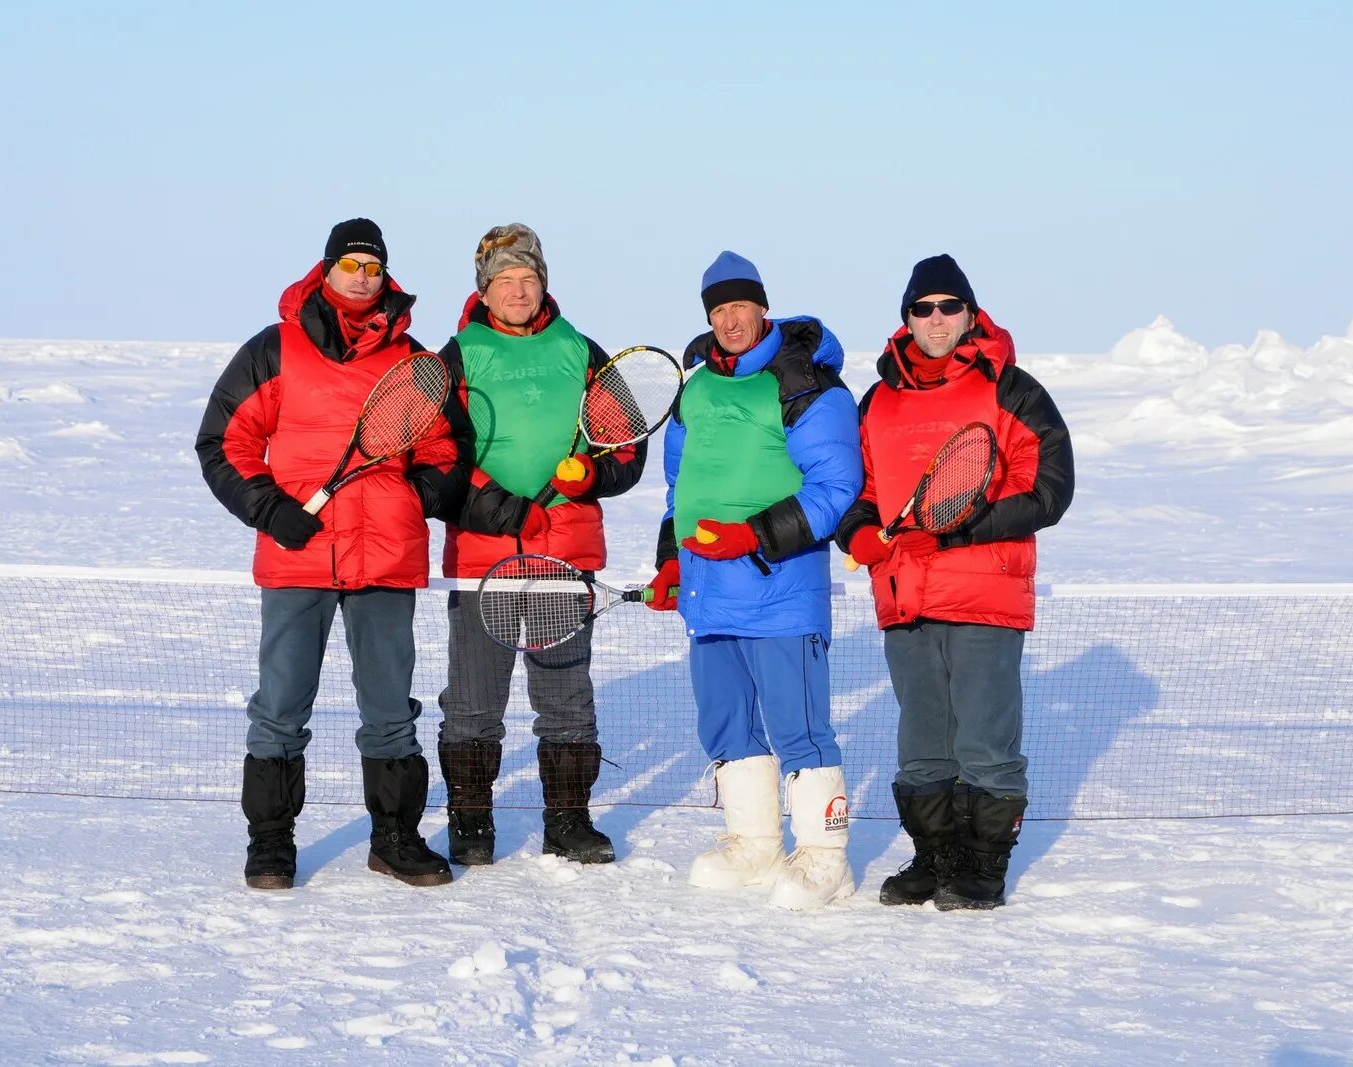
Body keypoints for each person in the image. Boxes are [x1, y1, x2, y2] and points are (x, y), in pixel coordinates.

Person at [196, 218, 470, 891]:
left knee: (388, 706)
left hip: (385, 555)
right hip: (299, 554)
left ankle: (396, 839)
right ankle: (270, 844)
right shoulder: (275, 350)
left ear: (385, 278)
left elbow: (446, 451)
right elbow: (222, 443)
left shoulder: (412, 363)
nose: (362, 278)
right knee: (282, 703)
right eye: (351, 264)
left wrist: (413, 494)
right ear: (326, 269)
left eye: (373, 268)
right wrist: (270, 508)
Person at [837, 253, 1074, 910]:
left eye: (949, 305)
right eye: (922, 307)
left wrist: (953, 530)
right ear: (905, 318)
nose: (936, 318)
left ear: (970, 313)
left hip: (983, 596)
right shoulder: (878, 400)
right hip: (903, 593)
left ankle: (981, 867)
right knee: (922, 741)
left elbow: (1050, 490)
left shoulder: (1012, 389)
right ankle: (933, 857)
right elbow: (857, 489)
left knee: (984, 741)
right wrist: (858, 533)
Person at [646, 251, 862, 911]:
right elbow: (680, 485)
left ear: (762, 307)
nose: (729, 319)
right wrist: (671, 558)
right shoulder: (696, 387)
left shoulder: (807, 386)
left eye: (740, 305)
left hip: (779, 590)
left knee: (800, 727)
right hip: (709, 593)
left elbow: (836, 486)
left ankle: (826, 858)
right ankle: (754, 842)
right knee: (727, 722)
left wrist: (755, 534)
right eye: (717, 308)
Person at [435, 223, 646, 867]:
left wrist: (592, 474)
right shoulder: (456, 355)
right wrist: (499, 507)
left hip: (561, 558)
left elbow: (626, 447)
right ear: (486, 289)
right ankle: (471, 824)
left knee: (565, 696)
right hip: (483, 557)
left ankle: (569, 821)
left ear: (543, 282)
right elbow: (436, 458)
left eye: (528, 279)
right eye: (506, 280)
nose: (519, 290)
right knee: (473, 700)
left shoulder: (580, 350)